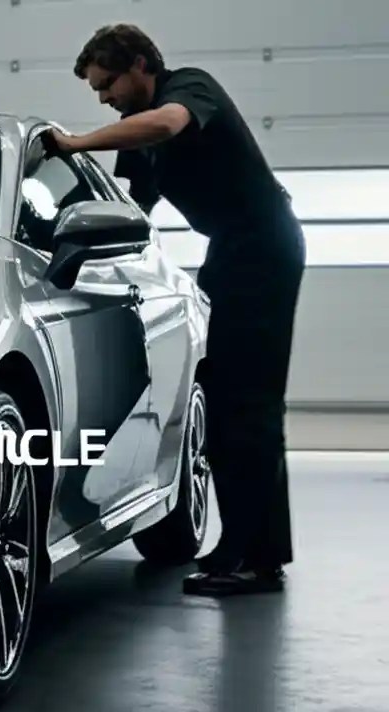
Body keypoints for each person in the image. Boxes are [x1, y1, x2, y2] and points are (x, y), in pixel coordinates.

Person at [47, 25, 305, 596]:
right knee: (222, 394)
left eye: (108, 84)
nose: (104, 98)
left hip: (265, 244)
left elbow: (167, 122)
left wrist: (74, 142)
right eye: (96, 91)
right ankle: (252, 548)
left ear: (142, 65)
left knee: (249, 401)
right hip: (231, 249)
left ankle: (255, 559)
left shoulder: (188, 90)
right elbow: (127, 211)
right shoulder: (139, 140)